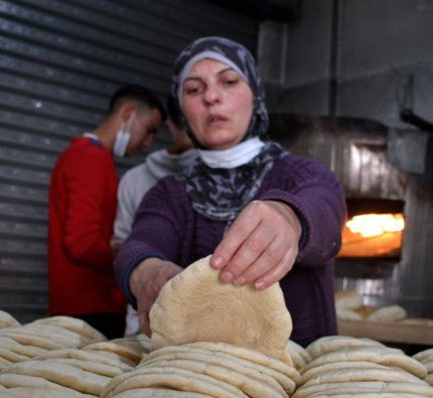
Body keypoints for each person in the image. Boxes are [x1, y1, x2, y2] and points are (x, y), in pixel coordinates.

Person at [115, 37, 346, 346]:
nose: (211, 96)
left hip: (301, 381)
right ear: (182, 109)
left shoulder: (305, 174)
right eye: (194, 89)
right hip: (197, 378)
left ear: (255, 92)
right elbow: (141, 242)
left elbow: (325, 211)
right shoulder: (170, 194)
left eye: (228, 81)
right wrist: (146, 273)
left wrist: (290, 217)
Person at [49, 84, 165, 339]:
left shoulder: (81, 154)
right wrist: (126, 253)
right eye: (148, 130)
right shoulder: (91, 159)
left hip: (79, 303)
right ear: (127, 113)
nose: (147, 144)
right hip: (91, 306)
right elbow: (81, 243)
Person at [113, 94, 198, 336]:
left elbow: (118, 245)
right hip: (147, 319)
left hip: (142, 320)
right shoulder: (149, 184)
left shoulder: (133, 178)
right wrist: (148, 268)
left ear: (169, 123)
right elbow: (124, 248)